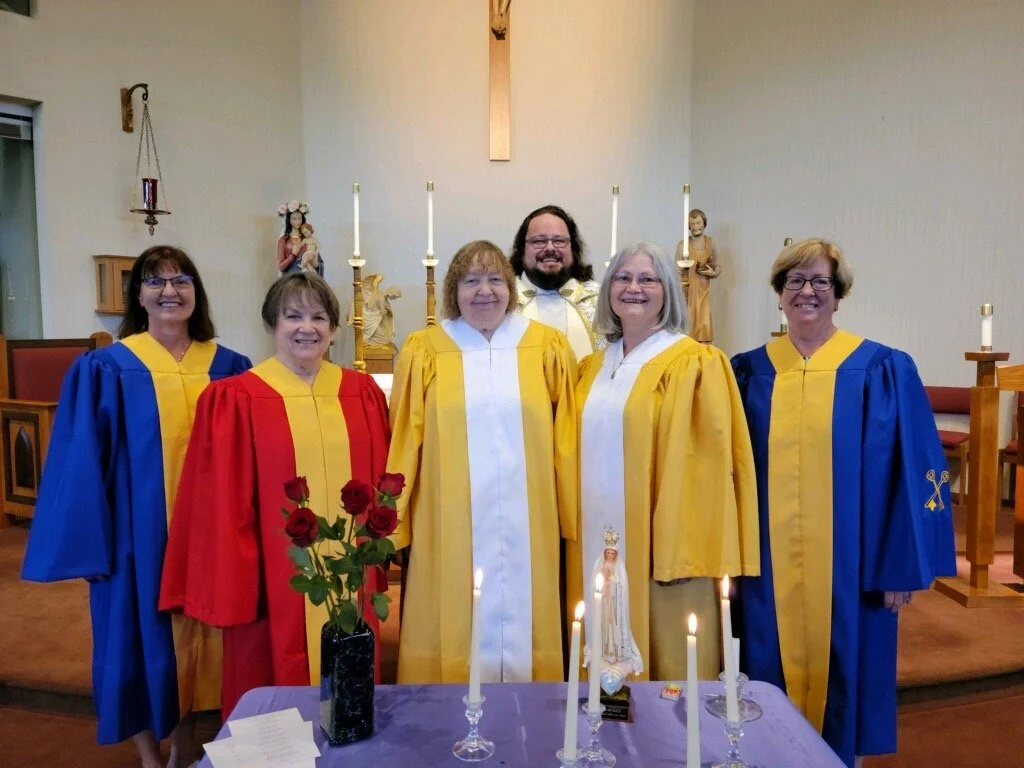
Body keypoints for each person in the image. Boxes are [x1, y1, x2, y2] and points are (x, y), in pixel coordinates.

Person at [21, 246, 251, 768]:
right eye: (155, 281)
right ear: (138, 295)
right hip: (136, 536)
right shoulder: (107, 368)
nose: (170, 291)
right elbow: (81, 460)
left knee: (209, 639)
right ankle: (151, 754)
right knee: (135, 637)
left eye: (181, 280)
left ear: (198, 293)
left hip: (211, 535)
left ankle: (189, 742)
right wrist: (95, 541)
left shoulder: (231, 367)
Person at [730, 238, 956, 768]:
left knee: (848, 669)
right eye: (795, 282)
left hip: (854, 565)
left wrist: (902, 564)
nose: (807, 292)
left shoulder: (882, 369)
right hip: (767, 564)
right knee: (764, 665)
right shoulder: (747, 372)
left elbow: (918, 470)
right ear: (779, 294)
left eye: (820, 282)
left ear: (838, 293)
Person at [159, 271, 390, 717]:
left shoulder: (360, 393)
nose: (308, 327)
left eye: (319, 317)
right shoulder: (236, 398)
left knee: (351, 700)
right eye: (293, 316)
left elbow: (381, 482)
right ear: (272, 325)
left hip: (350, 569)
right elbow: (220, 505)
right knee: (271, 695)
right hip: (271, 576)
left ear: (335, 329)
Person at [567, 241, 759, 684]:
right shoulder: (591, 367)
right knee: (599, 646)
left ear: (667, 291)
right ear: (608, 290)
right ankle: (602, 726)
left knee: (666, 663)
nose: (633, 288)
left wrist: (677, 541)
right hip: (596, 542)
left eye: (647, 279)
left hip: (662, 544)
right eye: (623, 278)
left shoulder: (694, 362)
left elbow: (705, 466)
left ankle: (665, 745)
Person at [387, 239, 577, 684]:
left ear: (511, 288)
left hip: (529, 520)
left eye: (495, 279)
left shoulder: (546, 347)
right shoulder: (425, 350)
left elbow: (567, 437)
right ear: (454, 290)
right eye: (471, 280)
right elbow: (404, 439)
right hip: (448, 520)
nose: (484, 291)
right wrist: (395, 522)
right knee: (450, 616)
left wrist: (571, 515)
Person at [510, 204, 600, 360]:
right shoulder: (502, 301)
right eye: (539, 241)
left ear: (573, 249)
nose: (550, 248)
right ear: (522, 249)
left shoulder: (599, 300)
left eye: (559, 241)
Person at [673, 208, 720, 342]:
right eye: (692, 223)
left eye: (698, 223)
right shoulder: (683, 245)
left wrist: (711, 272)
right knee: (687, 326)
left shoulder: (710, 243)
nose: (695, 227)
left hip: (703, 289)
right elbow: (675, 269)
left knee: (704, 324)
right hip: (686, 291)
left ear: (704, 223)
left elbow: (717, 265)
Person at [276, 200, 322, 276]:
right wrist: (293, 255)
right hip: (291, 279)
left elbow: (319, 263)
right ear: (289, 220)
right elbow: (281, 267)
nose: (297, 221)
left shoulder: (307, 238)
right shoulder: (283, 240)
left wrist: (313, 260)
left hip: (307, 276)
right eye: (294, 219)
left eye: (299, 218)